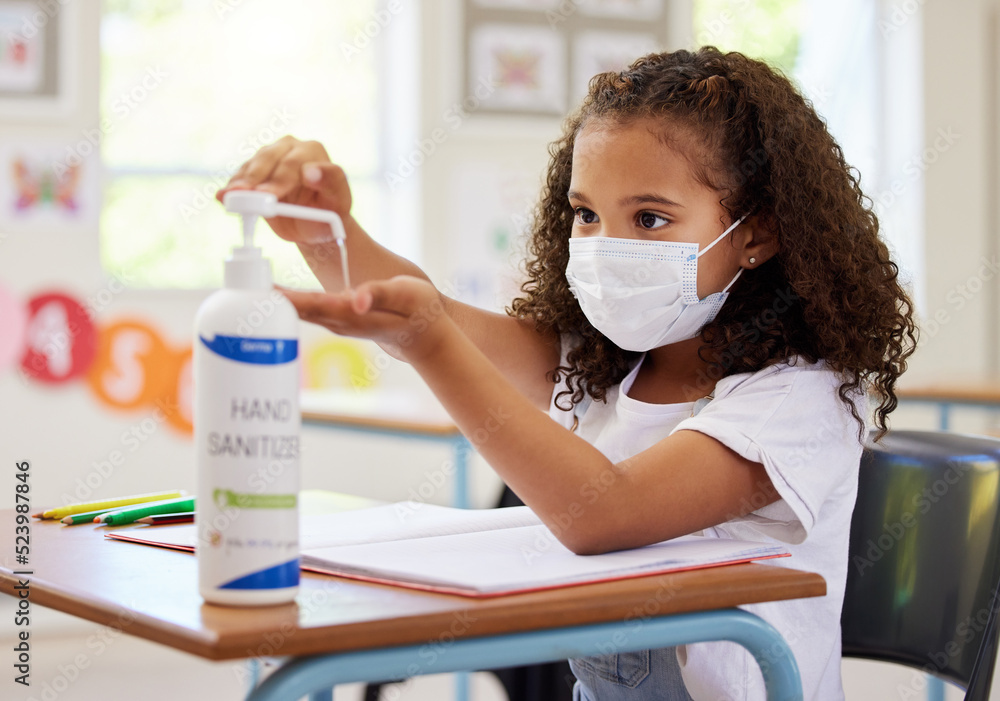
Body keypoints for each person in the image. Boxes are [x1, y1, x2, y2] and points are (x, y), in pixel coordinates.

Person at [218, 47, 916, 701]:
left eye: (649, 218)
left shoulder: (800, 395)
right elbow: (432, 317)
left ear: (756, 233)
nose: (607, 246)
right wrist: (328, 232)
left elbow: (604, 511)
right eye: (586, 213)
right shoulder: (609, 362)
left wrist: (430, 343)